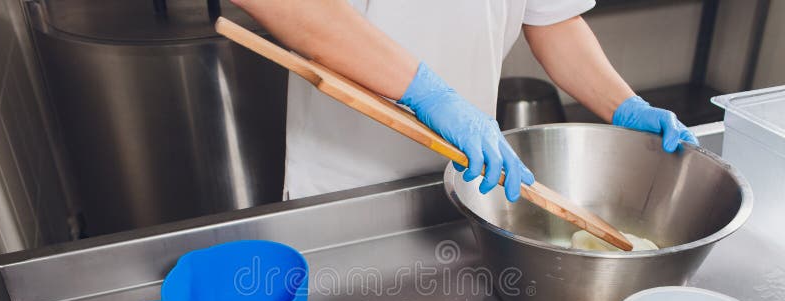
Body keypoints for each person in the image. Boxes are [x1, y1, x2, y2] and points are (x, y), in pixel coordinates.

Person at [230, 0, 698, 202]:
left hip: (467, 180)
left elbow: (551, 17)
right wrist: (424, 91)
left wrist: (623, 105)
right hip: (348, 189)